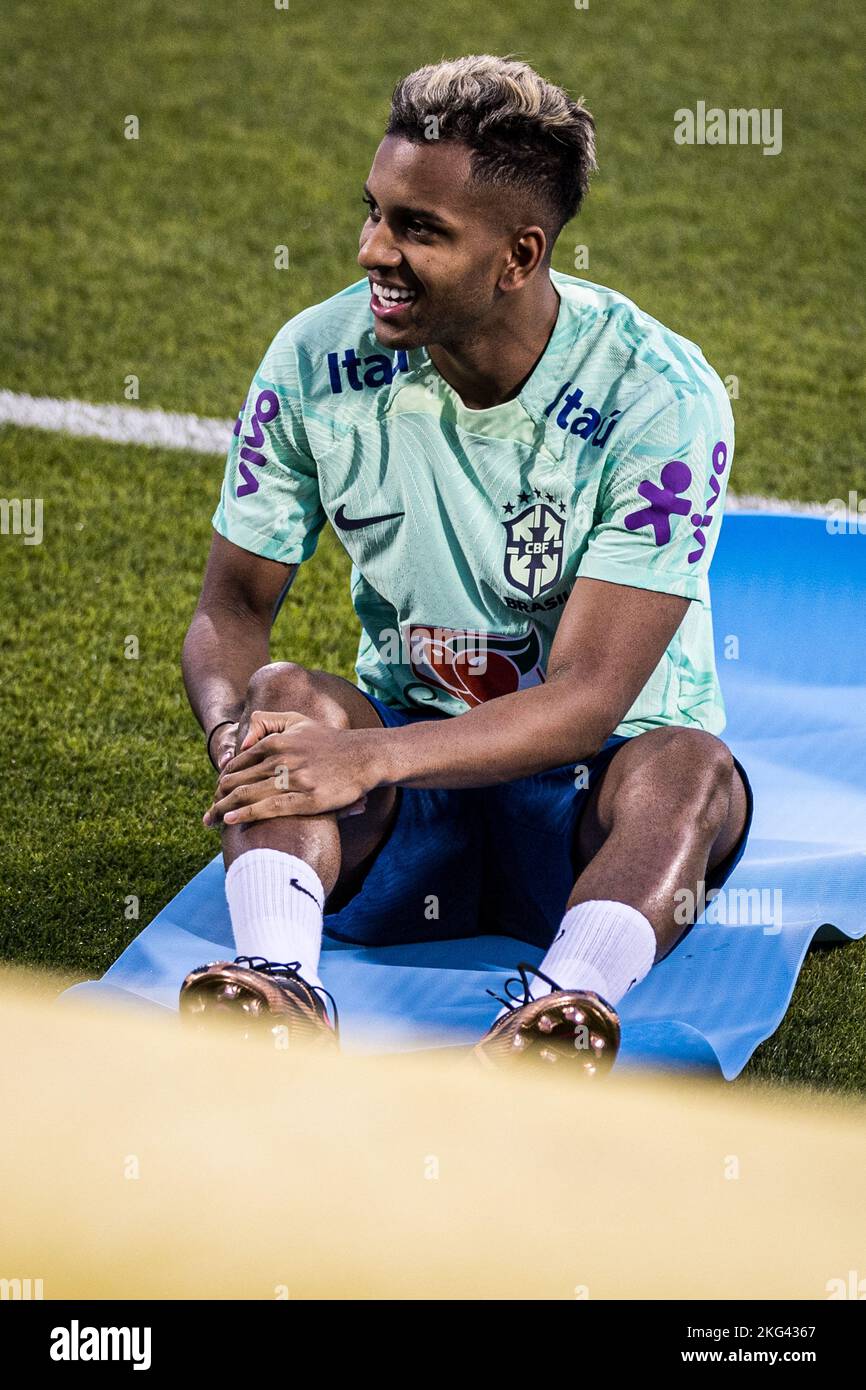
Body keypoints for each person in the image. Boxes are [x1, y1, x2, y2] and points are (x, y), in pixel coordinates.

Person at [179, 54, 753, 1074]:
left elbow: (585, 700)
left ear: (519, 257)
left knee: (690, 768)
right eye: (374, 212)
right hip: (407, 815)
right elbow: (230, 605)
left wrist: (373, 757)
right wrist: (241, 742)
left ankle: (556, 1009)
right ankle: (277, 984)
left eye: (417, 230)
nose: (371, 251)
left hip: (591, 801)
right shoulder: (316, 359)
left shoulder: (657, 397)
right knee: (279, 696)